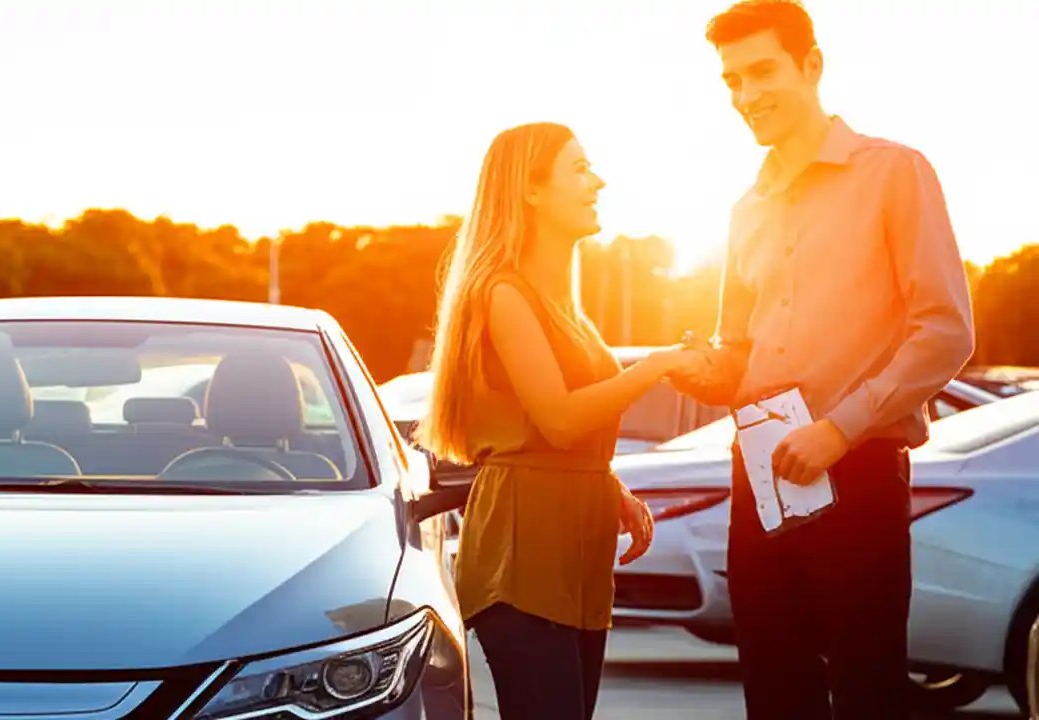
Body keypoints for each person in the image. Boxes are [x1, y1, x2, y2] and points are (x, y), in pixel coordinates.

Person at [669, 2, 976, 718]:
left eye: (763, 71)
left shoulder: (895, 172)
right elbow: (739, 352)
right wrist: (701, 369)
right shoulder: (745, 206)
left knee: (868, 689)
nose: (748, 96)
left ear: (812, 66)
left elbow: (945, 331)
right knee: (774, 687)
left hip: (858, 472)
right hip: (761, 478)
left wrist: (838, 429)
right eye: (732, 81)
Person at [414, 121, 695, 720]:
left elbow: (555, 429)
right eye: (579, 168)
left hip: (577, 552)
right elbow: (560, 422)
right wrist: (660, 365)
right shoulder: (503, 293)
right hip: (524, 555)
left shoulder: (562, 302)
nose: (598, 181)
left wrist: (609, 484)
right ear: (531, 190)